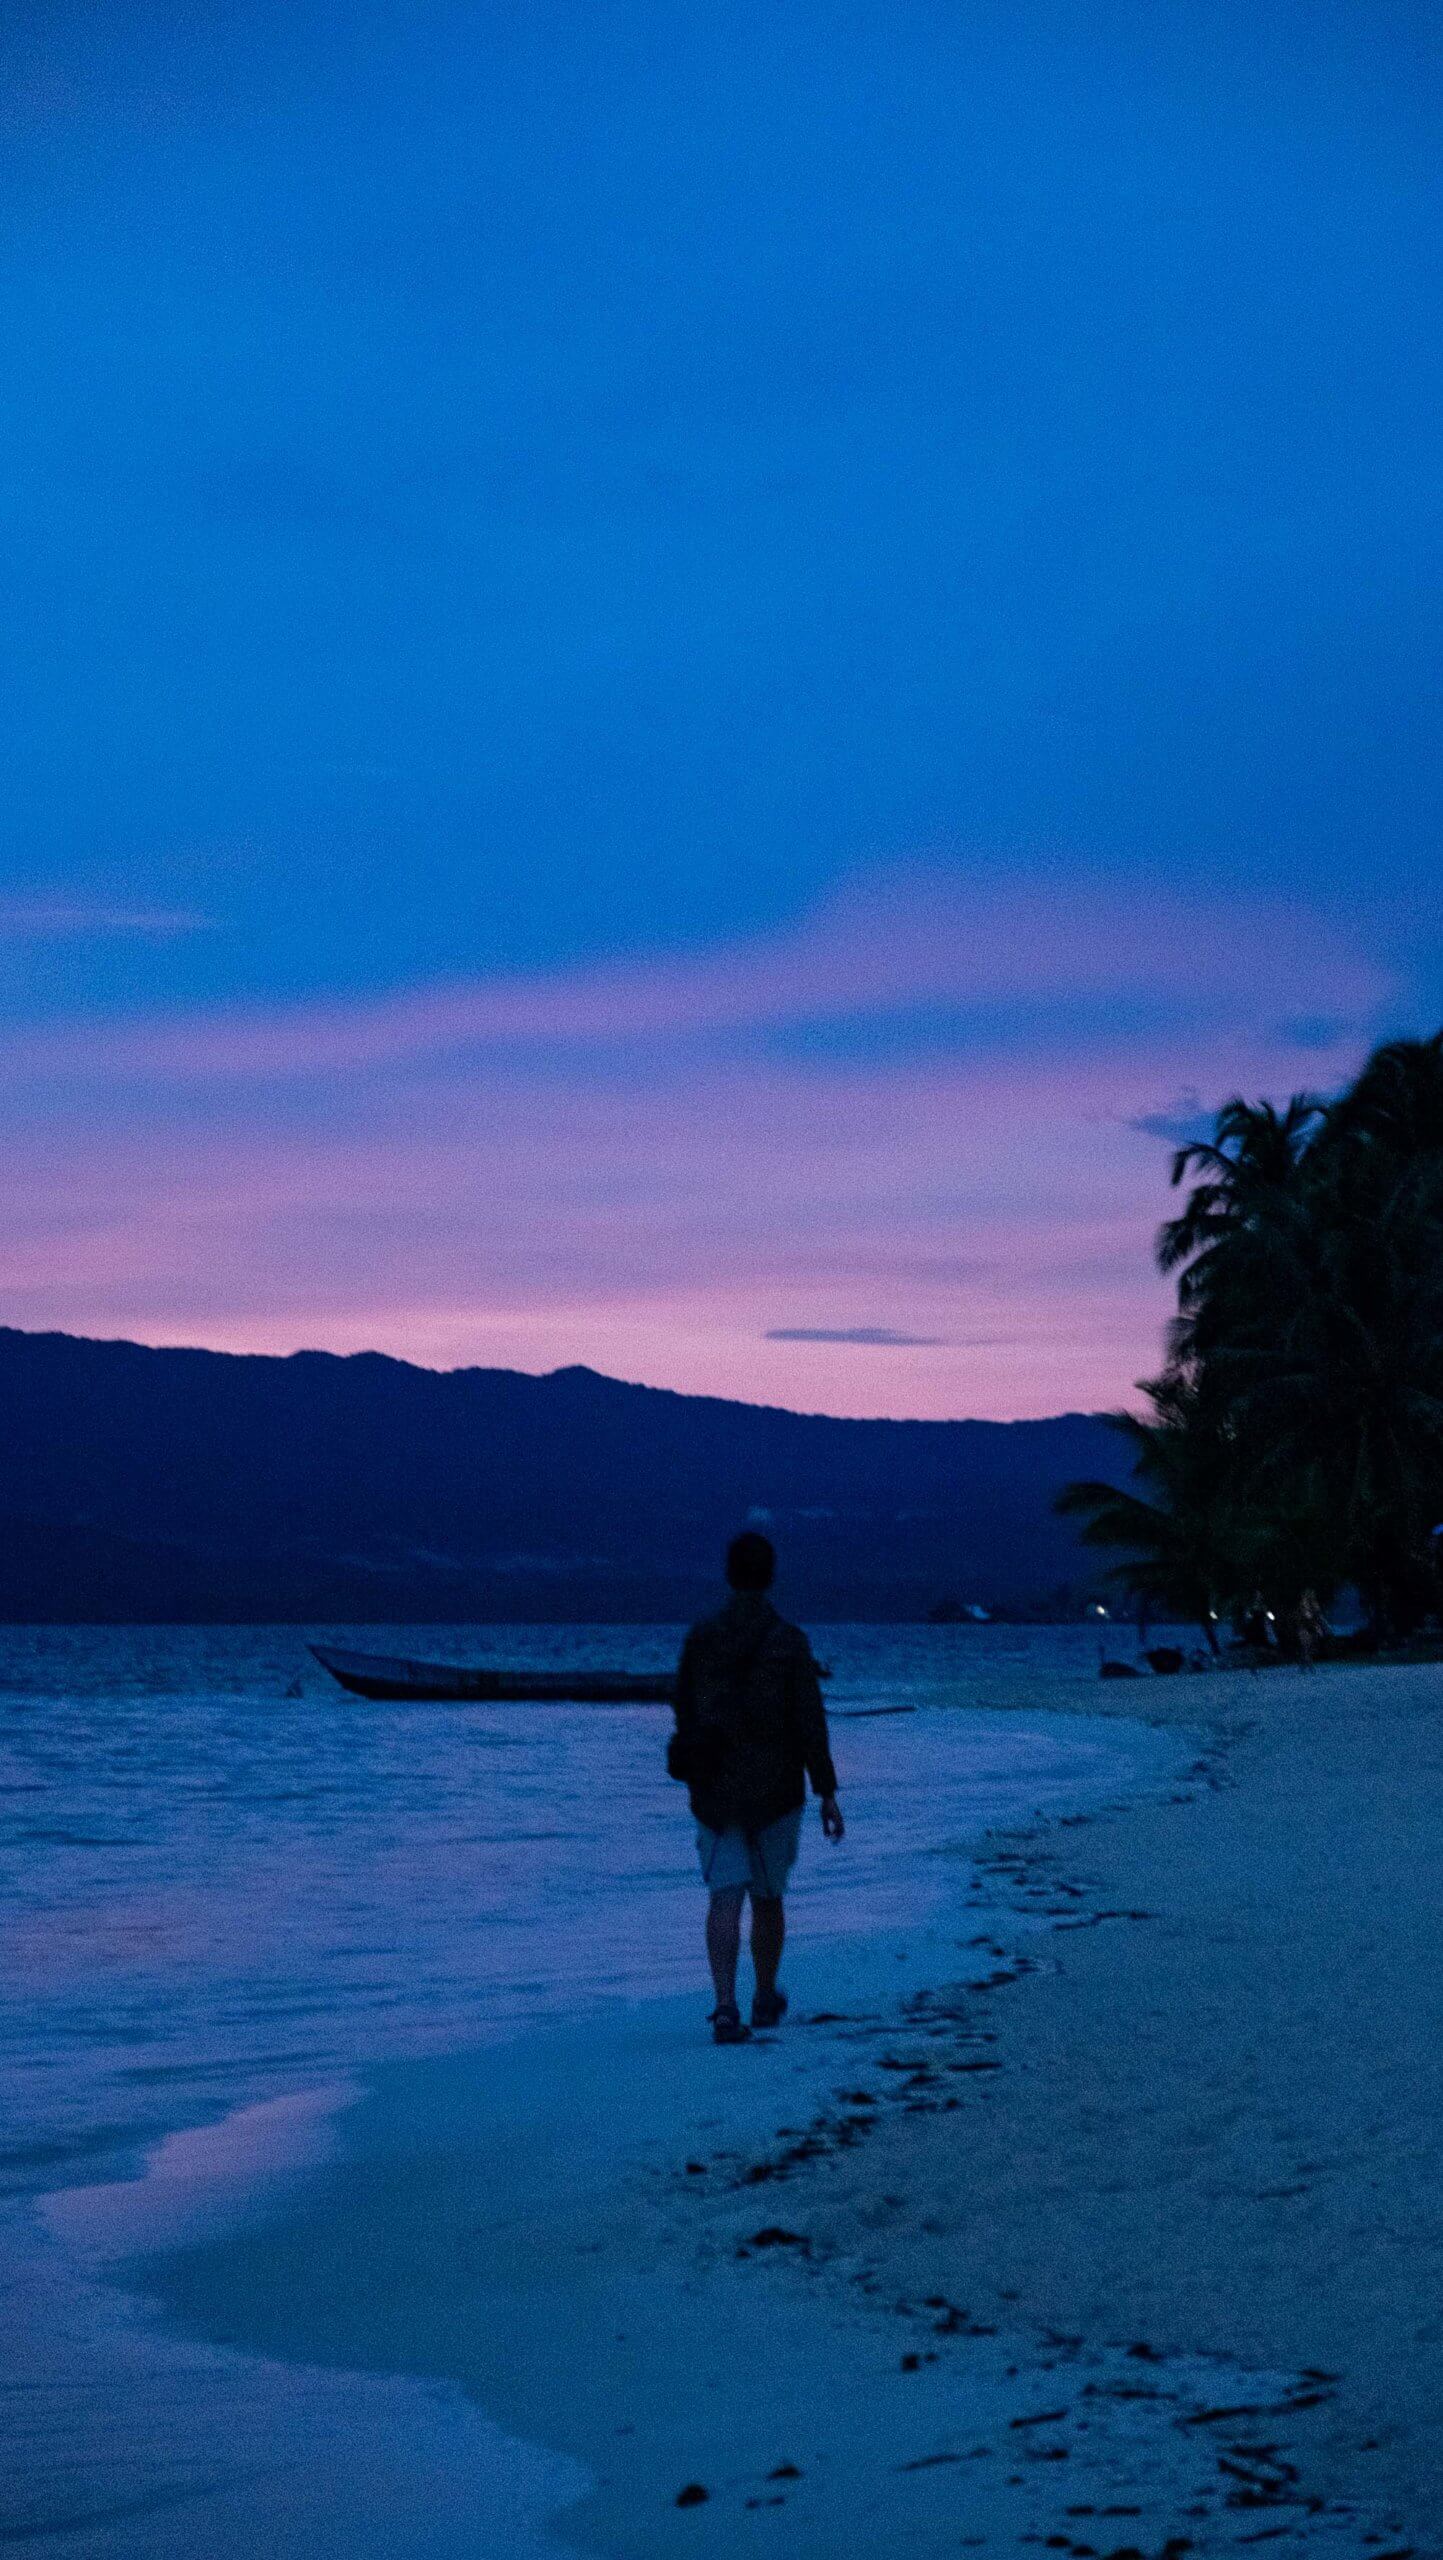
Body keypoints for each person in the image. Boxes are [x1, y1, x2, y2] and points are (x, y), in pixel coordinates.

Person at [671, 1530, 844, 2043]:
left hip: (716, 1788)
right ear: (769, 1577)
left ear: (729, 1575)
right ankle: (764, 1997)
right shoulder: (788, 1641)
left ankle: (725, 2006)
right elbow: (811, 1721)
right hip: (776, 1789)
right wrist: (827, 1793)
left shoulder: (702, 1637)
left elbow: (682, 1706)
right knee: (768, 1899)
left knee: (724, 1898)